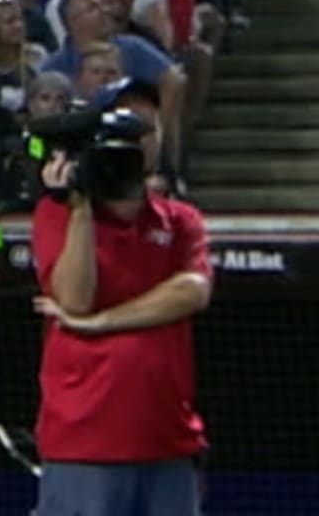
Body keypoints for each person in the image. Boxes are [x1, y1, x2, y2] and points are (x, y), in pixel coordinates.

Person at [29, 108, 211, 515]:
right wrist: (79, 209)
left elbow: (193, 290)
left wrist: (99, 323)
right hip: (83, 441)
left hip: (165, 439)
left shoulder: (180, 220)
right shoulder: (55, 214)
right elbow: (75, 299)